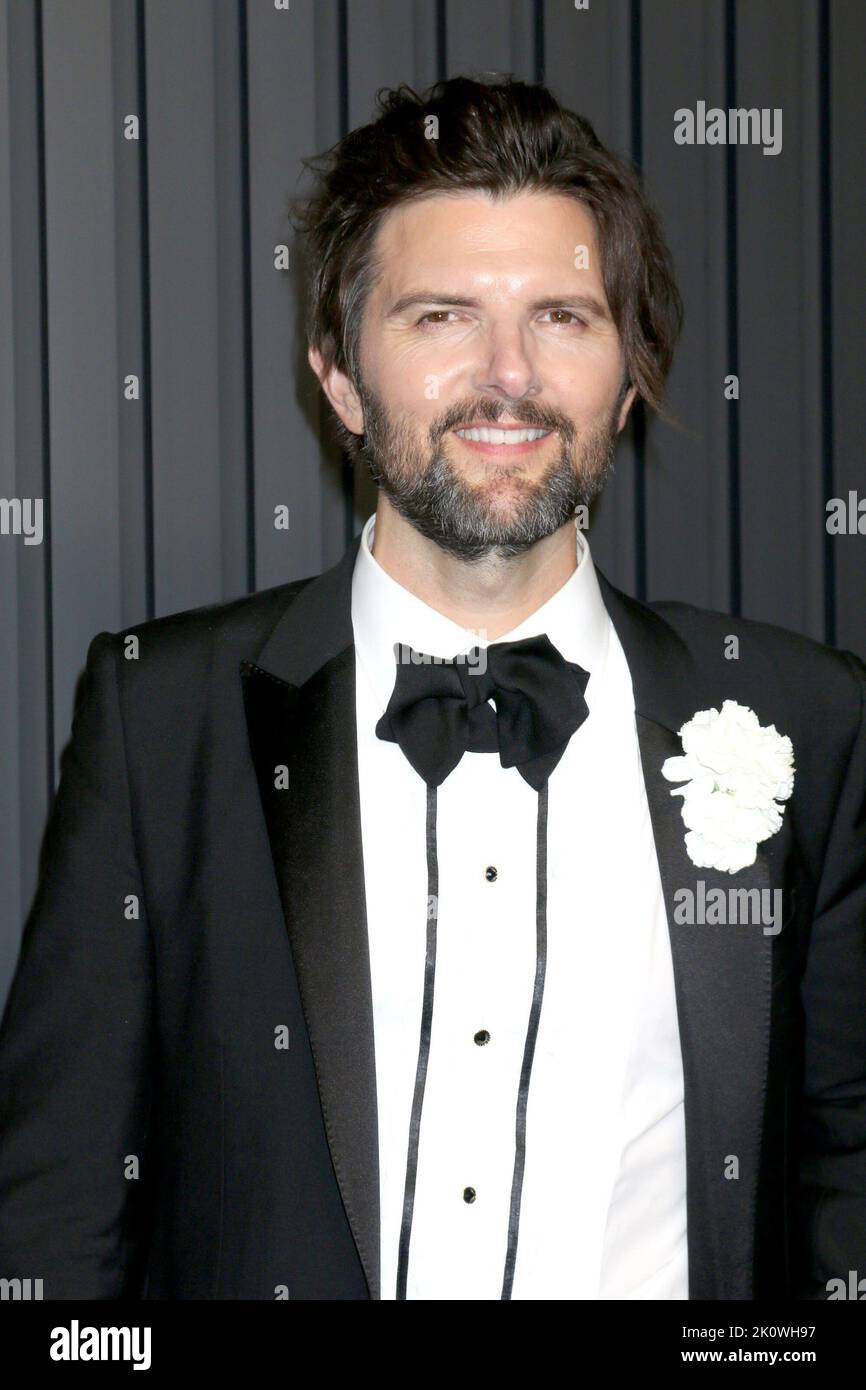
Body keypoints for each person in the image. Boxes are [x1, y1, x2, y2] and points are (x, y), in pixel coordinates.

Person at [0, 75, 863, 1301]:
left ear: (626, 378)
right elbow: (56, 1218)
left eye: (562, 317)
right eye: (441, 316)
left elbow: (845, 1175)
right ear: (340, 379)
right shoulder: (161, 721)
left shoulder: (808, 721)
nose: (506, 375)